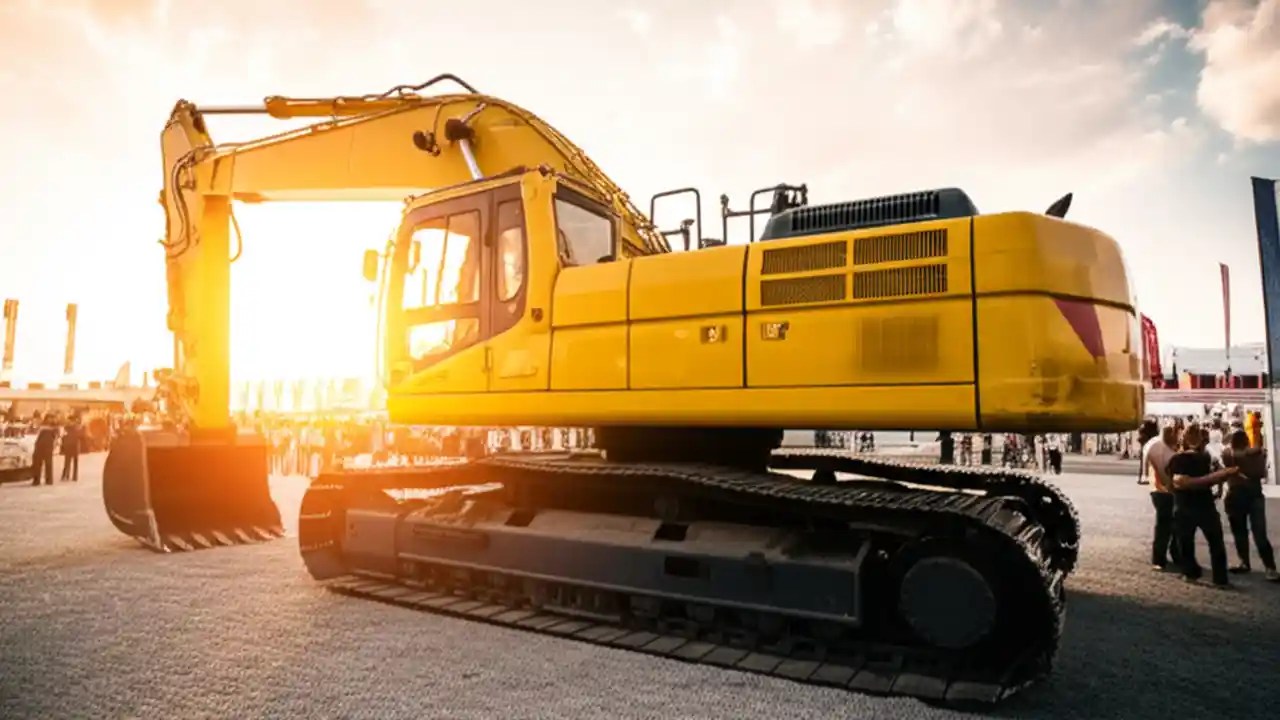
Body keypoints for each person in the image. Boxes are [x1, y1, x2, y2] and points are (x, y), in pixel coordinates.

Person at [1169, 424, 1237, 586]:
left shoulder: (1178, 459)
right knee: (1215, 542)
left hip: (1185, 505)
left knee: (1186, 542)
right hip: (1204, 504)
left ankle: (1190, 573)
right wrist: (1218, 480)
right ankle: (1220, 578)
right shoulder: (1205, 457)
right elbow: (1186, 481)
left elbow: (1176, 483)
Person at [1222, 429, 1279, 581]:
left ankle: (1244, 563)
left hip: (1236, 496)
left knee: (1240, 532)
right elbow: (1261, 473)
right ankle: (1270, 568)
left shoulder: (1229, 455)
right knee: (1260, 534)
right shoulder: (1258, 455)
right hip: (1255, 495)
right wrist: (1258, 449)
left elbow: (1227, 451)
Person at [1143, 424, 1181, 570]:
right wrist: (1169, 487)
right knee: (1164, 525)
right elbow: (1160, 470)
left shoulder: (1169, 446)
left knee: (1173, 524)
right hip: (1161, 490)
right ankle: (1159, 558)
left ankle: (1174, 554)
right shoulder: (1158, 447)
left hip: (1167, 490)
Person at [31, 416, 58, 486]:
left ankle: (49, 480)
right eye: (48, 418)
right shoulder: (41, 426)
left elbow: (56, 438)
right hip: (39, 446)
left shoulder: (54, 428)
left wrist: (54, 446)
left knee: (48, 464)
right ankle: (37, 480)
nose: (50, 420)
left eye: (51, 418)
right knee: (37, 464)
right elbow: (35, 431)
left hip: (48, 447)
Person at [60, 415, 82, 482]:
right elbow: (63, 436)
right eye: (68, 421)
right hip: (68, 446)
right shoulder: (66, 427)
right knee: (67, 462)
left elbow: (80, 436)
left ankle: (74, 476)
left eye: (70, 421)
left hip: (75, 446)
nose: (69, 422)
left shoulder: (77, 428)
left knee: (75, 462)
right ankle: (65, 475)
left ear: (73, 421)